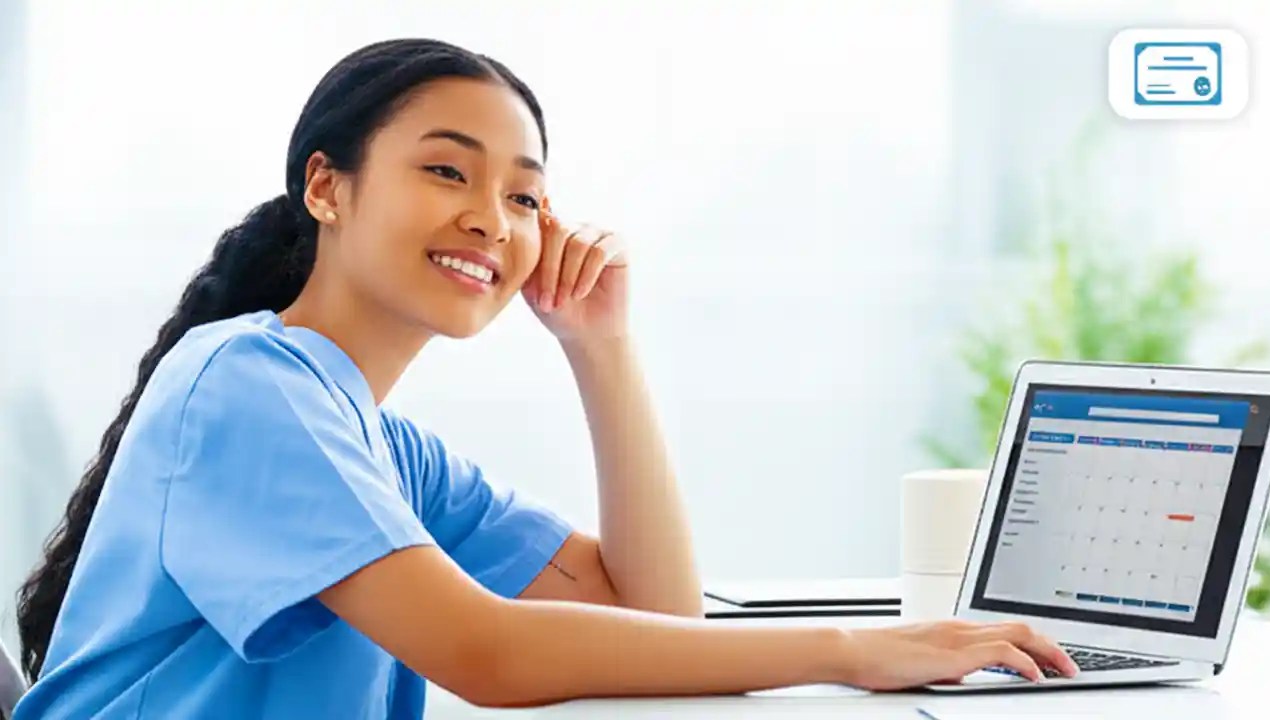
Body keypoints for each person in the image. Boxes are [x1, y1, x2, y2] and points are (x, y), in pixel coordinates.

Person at [11, 38, 1077, 718]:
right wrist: (860, 650)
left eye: (525, 197)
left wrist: (598, 348)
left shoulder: (382, 449)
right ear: (325, 189)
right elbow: (488, 654)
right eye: (444, 170)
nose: (491, 216)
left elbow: (657, 617)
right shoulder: (245, 381)